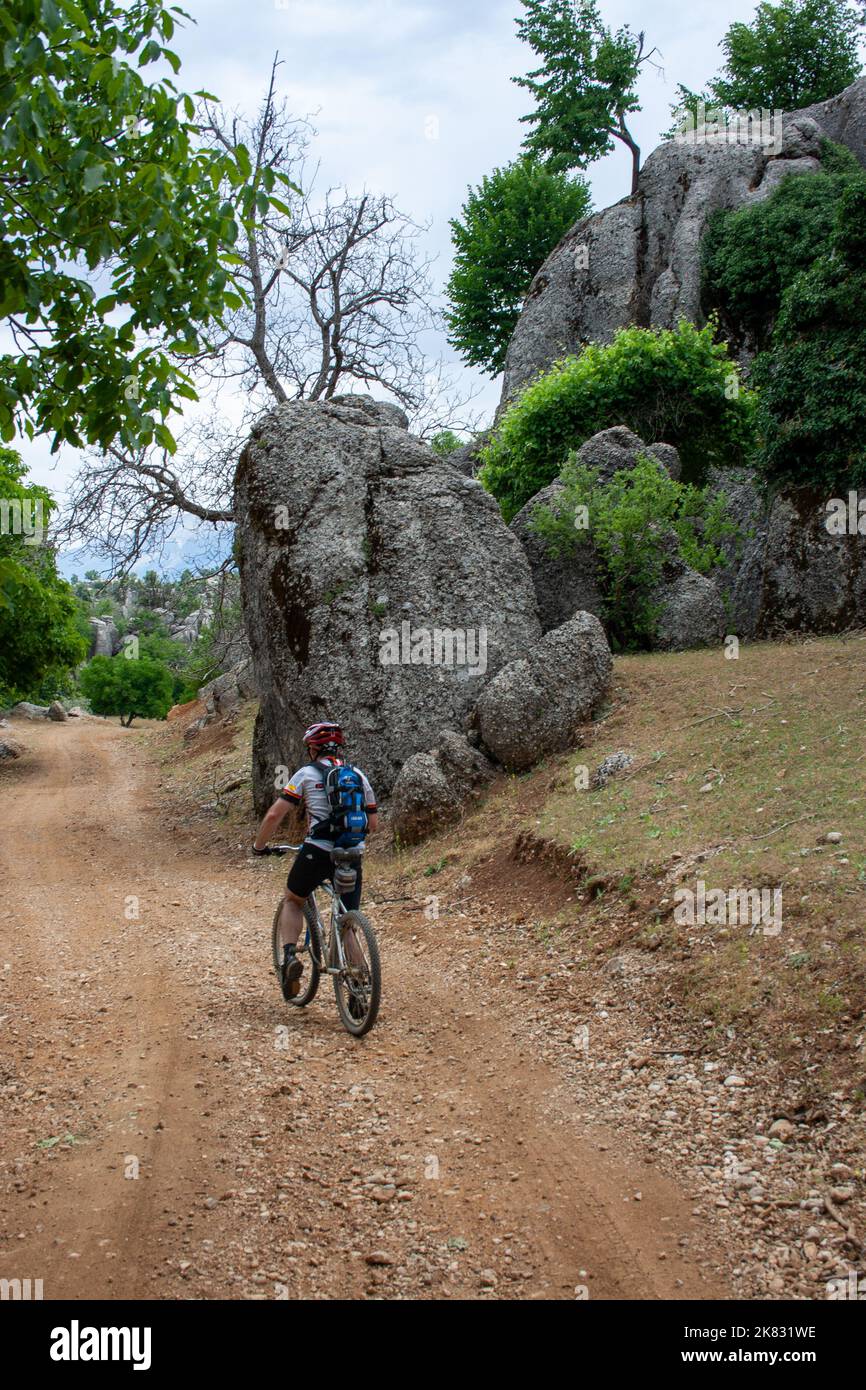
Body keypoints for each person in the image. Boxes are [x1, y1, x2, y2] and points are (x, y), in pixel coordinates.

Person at [252, 721, 378, 998]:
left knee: (293, 899)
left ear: (313, 749)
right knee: (346, 921)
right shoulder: (357, 774)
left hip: (317, 851)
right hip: (352, 854)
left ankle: (290, 957)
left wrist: (259, 846)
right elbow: (373, 822)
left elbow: (275, 815)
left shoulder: (306, 774)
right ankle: (359, 990)